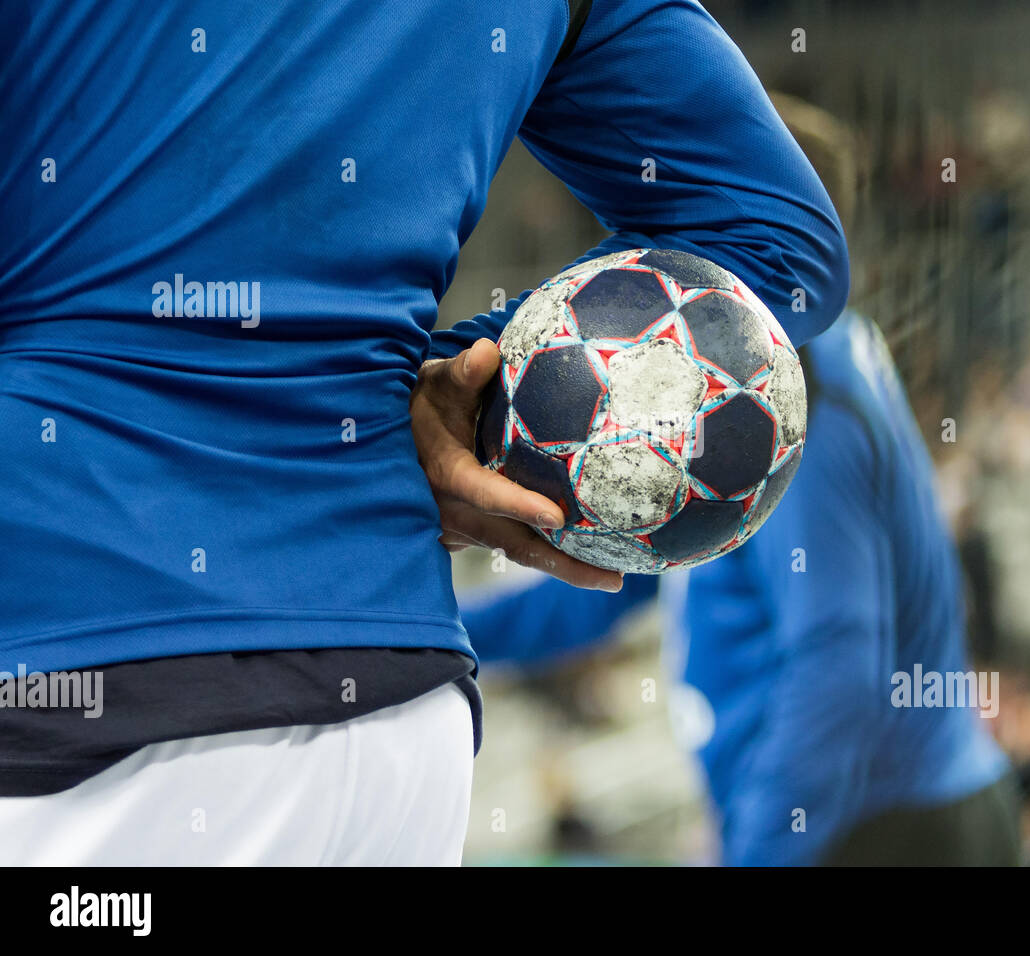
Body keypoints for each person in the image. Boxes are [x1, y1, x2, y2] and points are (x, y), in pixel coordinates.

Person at [0, 0, 848, 864]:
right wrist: (457, 386)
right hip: (398, 714)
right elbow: (781, 247)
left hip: (83, 688)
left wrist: (470, 382)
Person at [460, 97, 1018, 866]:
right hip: (911, 809)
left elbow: (839, 656)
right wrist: (452, 631)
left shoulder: (789, 398)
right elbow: (619, 575)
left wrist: (759, 846)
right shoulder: (766, 385)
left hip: (881, 827)